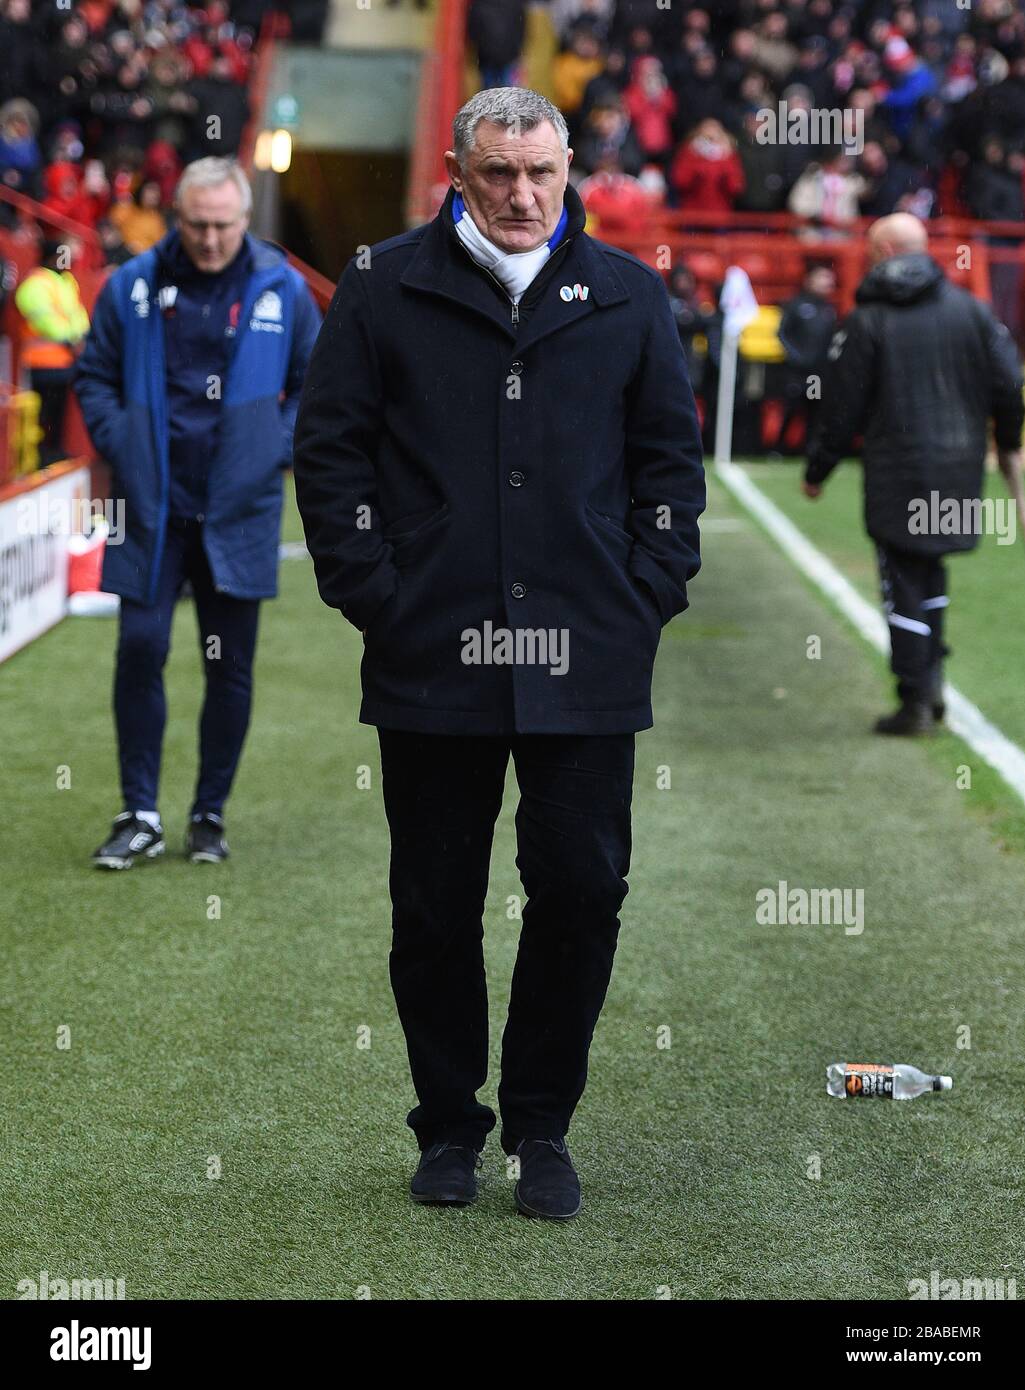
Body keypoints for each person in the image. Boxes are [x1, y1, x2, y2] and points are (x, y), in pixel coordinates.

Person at [292, 86, 704, 1220]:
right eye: (496, 175)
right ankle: (446, 1127)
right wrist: (376, 592)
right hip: (433, 655)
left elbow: (669, 467)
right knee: (432, 906)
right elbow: (329, 457)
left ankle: (541, 1122)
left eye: (540, 173)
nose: (521, 196)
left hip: (588, 655)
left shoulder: (627, 295)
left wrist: (645, 593)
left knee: (580, 890)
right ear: (456, 172)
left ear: (569, 168)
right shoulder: (382, 286)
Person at [74, 156, 321, 868]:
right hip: (151, 507)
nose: (210, 239)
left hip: (238, 512)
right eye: (197, 224)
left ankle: (209, 814)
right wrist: (122, 439)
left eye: (222, 225)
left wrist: (274, 444)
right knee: (141, 650)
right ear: (176, 218)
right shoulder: (133, 285)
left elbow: (315, 384)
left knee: (230, 668)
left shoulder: (282, 289)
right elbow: (94, 374)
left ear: (245, 221)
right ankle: (139, 812)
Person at [803, 213, 1025, 735]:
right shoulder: (971, 310)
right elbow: (1009, 384)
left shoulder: (869, 319)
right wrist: (1010, 442)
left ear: (881, 251)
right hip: (958, 467)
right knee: (931, 571)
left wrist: (819, 468)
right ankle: (933, 681)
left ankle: (916, 697)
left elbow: (844, 406)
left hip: (898, 470)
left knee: (900, 578)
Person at [14, 238, 89, 467]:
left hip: (64, 362)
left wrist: (76, 334)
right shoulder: (35, 283)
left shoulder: (65, 282)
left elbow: (78, 316)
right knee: (41, 413)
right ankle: (37, 457)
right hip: (40, 363)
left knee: (58, 414)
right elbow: (45, 321)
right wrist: (69, 336)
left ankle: (54, 452)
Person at [775, 264, 838, 455]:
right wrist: (795, 357)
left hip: (816, 374)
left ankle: (809, 447)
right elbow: (782, 334)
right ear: (809, 280)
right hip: (796, 372)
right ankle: (779, 447)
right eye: (822, 278)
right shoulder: (796, 305)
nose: (826, 283)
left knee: (814, 409)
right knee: (791, 408)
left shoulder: (829, 310)